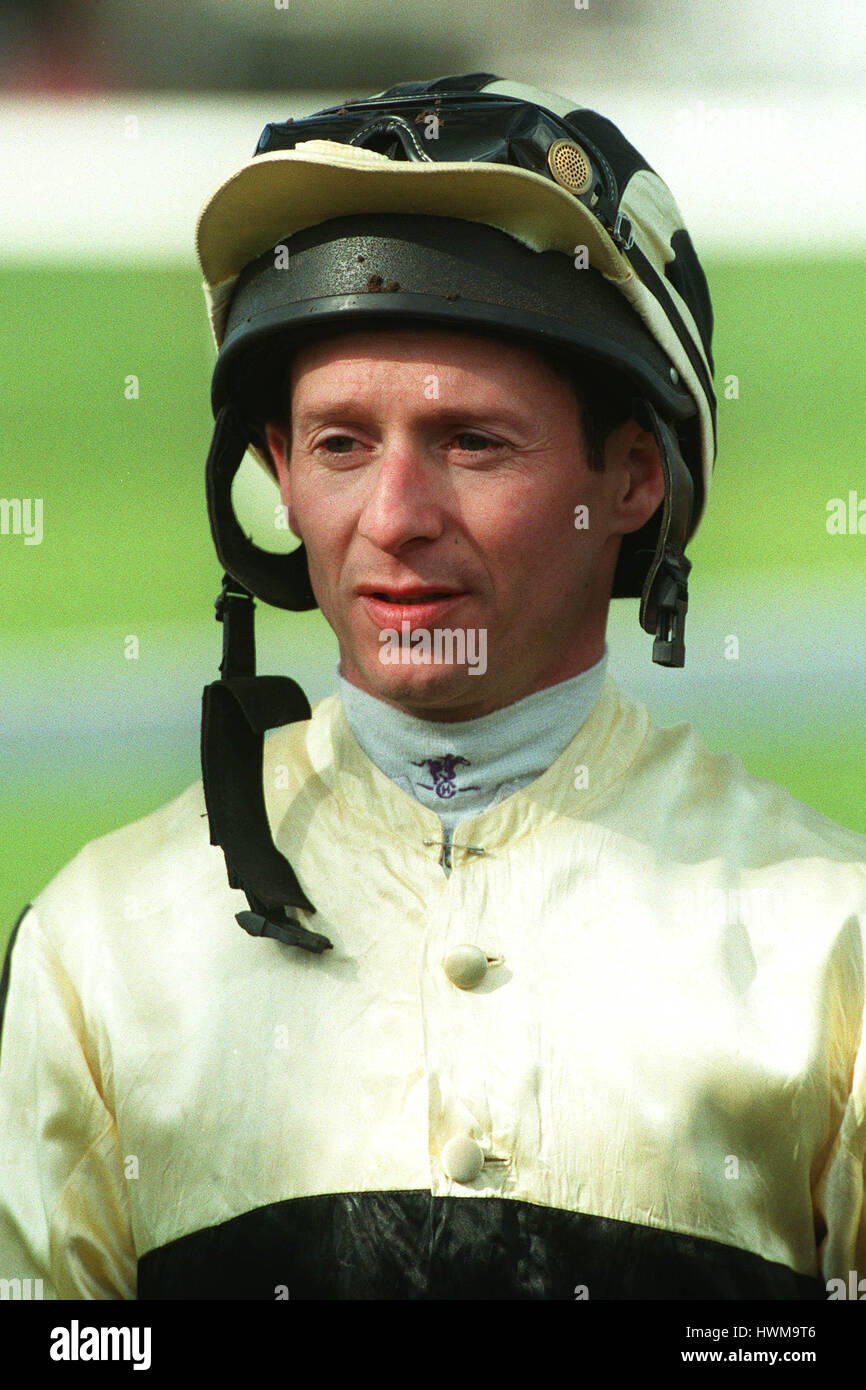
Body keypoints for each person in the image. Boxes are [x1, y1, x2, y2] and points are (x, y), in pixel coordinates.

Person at [1, 73, 864, 1302]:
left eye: (471, 442)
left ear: (631, 478)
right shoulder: (94, 952)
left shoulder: (828, 946)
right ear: (277, 479)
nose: (394, 520)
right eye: (340, 444)